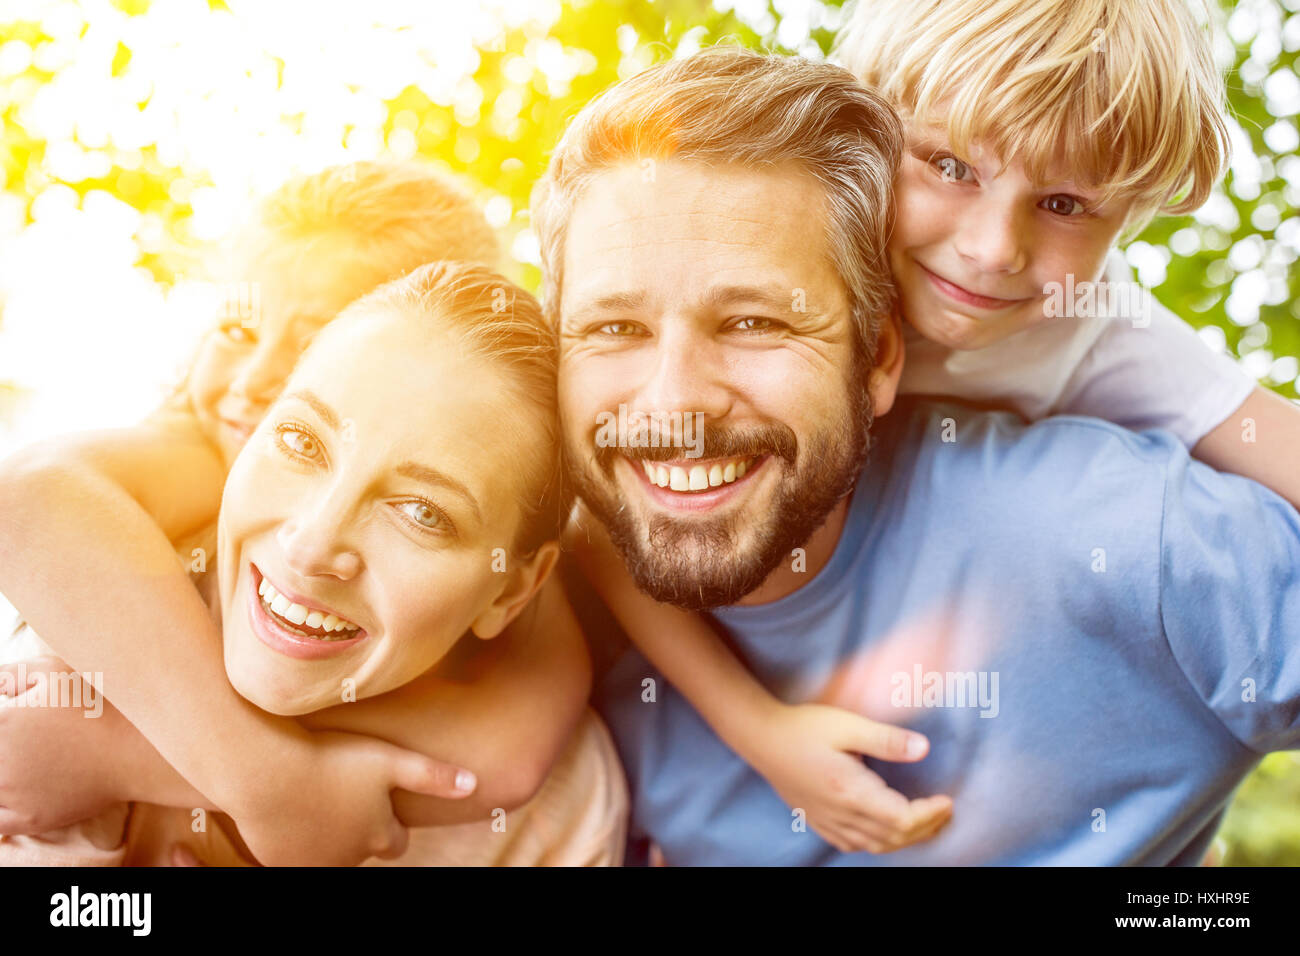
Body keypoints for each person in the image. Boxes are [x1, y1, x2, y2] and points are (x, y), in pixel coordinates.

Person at [554, 0, 1300, 855]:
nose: (993, 249)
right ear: (871, 126)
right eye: (949, 165)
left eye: (1064, 202)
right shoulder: (789, 234)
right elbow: (596, 521)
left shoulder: (1105, 338)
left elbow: (1271, 442)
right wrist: (761, 731)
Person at [0, 163, 595, 865]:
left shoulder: (510, 568)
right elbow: (29, 496)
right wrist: (265, 779)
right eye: (236, 329)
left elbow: (506, 757)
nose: (250, 383)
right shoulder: (196, 445)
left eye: (421, 512)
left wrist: (150, 758)